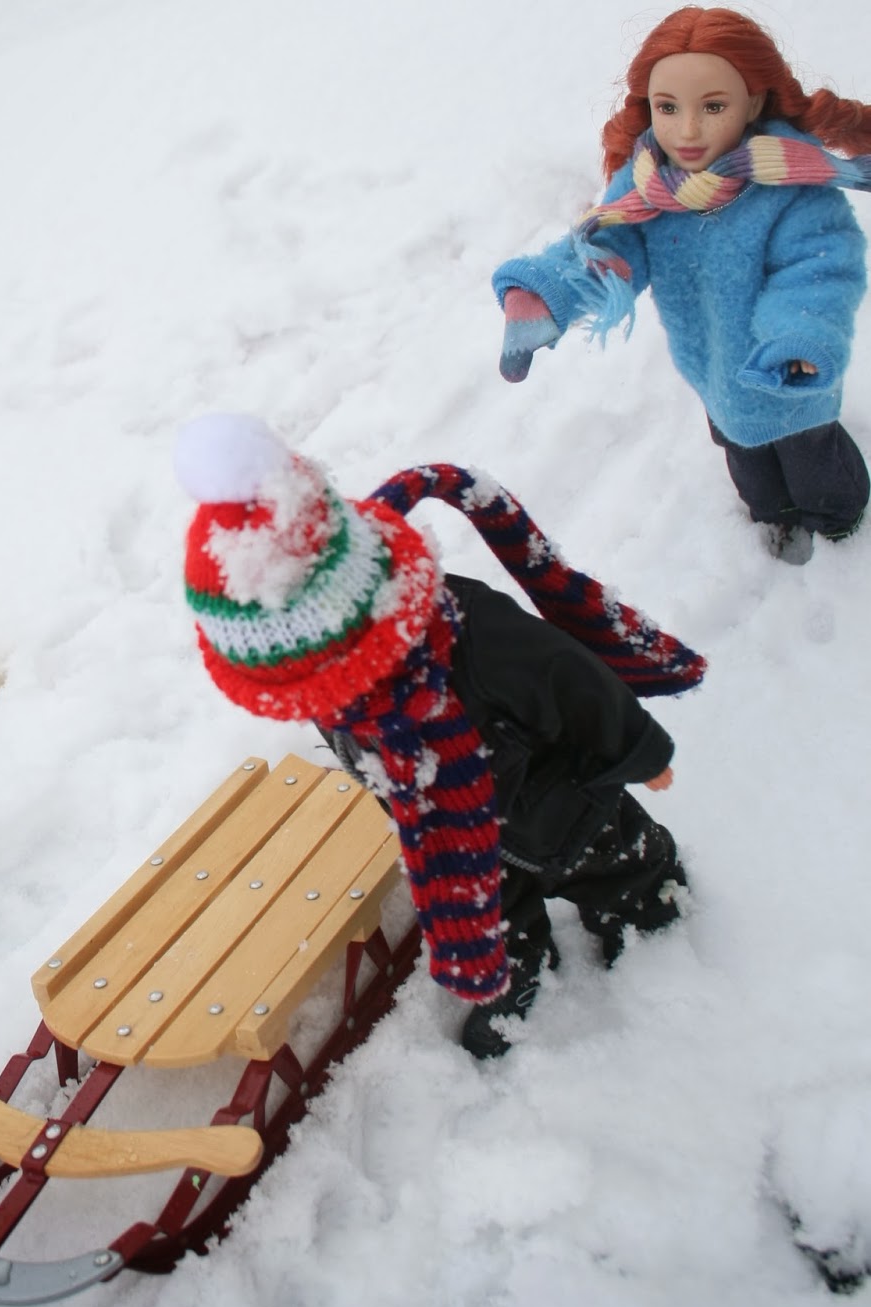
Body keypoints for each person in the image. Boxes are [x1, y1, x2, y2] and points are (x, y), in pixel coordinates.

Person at [177, 413, 692, 1061]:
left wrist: (636, 752)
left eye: (318, 690)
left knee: (612, 860)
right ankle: (518, 965)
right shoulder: (333, 688)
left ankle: (647, 899)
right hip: (457, 829)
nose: (316, 707)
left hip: (560, 804)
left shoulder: (475, 635)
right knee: (496, 900)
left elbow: (573, 681)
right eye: (299, 696)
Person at [493, 6, 871, 565]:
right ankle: (772, 514)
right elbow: (612, 248)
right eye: (668, 108)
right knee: (747, 462)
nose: (687, 130)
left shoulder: (793, 185)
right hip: (712, 371)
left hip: (790, 373)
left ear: (756, 102)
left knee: (813, 459)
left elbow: (819, 269)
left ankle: (838, 524)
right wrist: (548, 292)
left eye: (713, 106)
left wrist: (798, 335)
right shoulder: (649, 185)